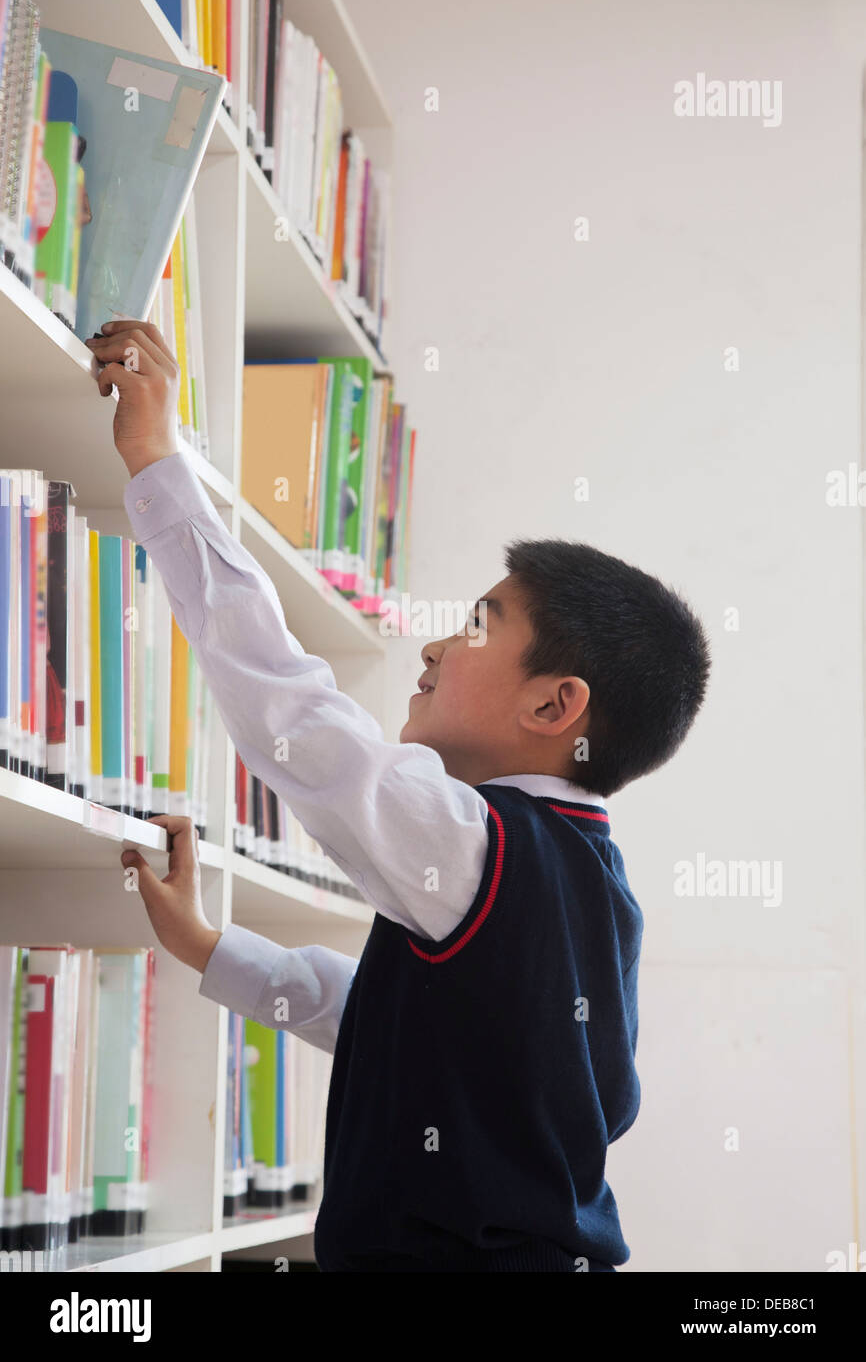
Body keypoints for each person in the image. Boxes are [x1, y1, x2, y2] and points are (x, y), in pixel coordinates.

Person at [85, 320, 711, 1272]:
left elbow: (289, 713)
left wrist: (156, 463)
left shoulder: (478, 844)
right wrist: (211, 948)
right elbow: (402, 1025)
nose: (431, 647)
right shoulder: (596, 886)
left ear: (554, 702)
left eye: (474, 626)